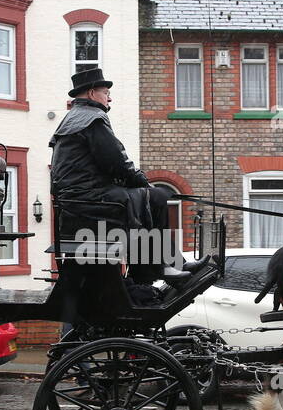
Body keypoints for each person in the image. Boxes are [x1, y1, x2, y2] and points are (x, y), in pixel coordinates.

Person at [50, 67, 186, 284]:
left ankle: (171, 264)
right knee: (158, 197)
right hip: (90, 199)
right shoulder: (91, 118)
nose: (109, 98)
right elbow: (116, 162)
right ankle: (160, 268)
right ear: (93, 93)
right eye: (106, 92)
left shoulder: (76, 117)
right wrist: (142, 181)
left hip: (80, 198)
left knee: (146, 197)